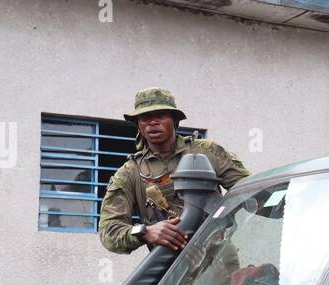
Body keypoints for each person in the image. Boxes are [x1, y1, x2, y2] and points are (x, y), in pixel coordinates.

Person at [99, 87, 249, 255]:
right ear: (138, 124)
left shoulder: (207, 152)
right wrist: (145, 232)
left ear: (175, 120)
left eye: (161, 115)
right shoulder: (129, 173)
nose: (153, 122)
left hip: (219, 265)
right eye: (146, 117)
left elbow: (253, 195)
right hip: (173, 271)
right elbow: (109, 232)